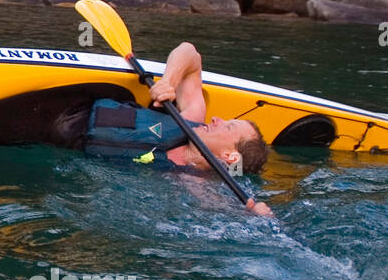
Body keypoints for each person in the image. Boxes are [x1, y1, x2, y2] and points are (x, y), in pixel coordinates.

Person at [81, 42, 273, 216]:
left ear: (229, 156)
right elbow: (189, 52)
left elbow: (218, 208)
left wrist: (252, 214)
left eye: (227, 126)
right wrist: (169, 82)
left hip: (71, 152)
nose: (216, 119)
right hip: (78, 107)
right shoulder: (192, 116)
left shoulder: (193, 182)